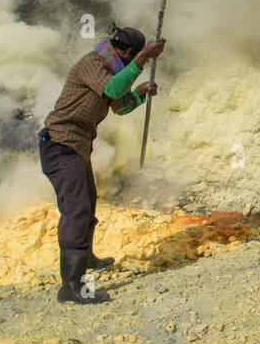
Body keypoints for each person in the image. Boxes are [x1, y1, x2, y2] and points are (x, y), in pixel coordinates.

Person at [39, 24, 166, 304]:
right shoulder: (93, 64)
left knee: (88, 201)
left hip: (77, 146)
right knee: (76, 210)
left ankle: (86, 257)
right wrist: (143, 59)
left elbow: (119, 105)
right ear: (128, 52)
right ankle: (71, 287)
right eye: (132, 58)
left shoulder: (109, 68)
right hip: (60, 145)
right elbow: (111, 89)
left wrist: (141, 93)